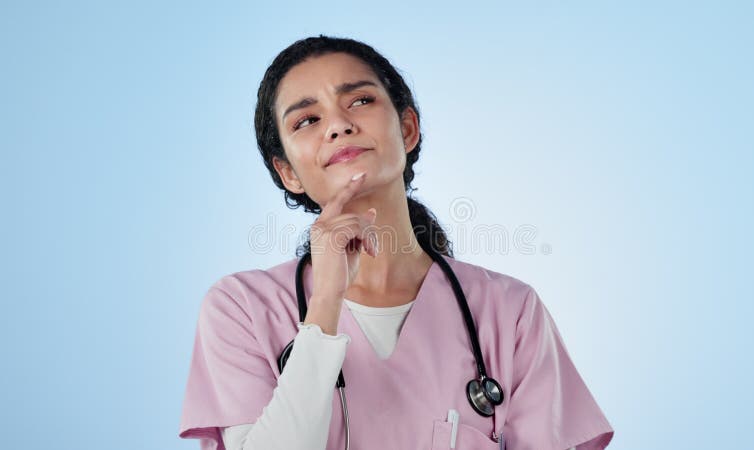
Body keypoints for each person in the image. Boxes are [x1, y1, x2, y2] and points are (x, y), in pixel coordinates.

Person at [178, 35, 615, 450]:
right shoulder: (240, 309)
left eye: (361, 100)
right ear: (288, 172)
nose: (339, 125)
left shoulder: (511, 313)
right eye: (308, 120)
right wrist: (326, 303)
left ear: (407, 129)